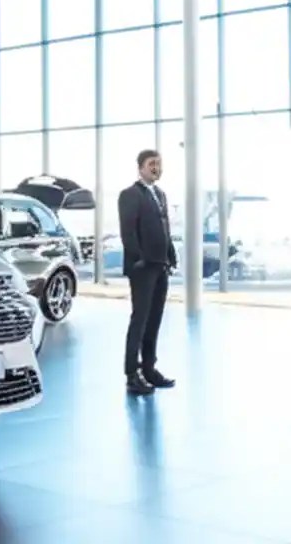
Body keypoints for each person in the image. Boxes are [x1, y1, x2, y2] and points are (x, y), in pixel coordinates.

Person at [117, 149, 177, 395]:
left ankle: (149, 368)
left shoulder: (160, 194)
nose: (156, 168)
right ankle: (132, 374)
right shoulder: (130, 195)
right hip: (143, 268)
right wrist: (139, 259)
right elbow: (127, 231)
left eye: (159, 164)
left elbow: (165, 229)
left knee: (155, 320)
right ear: (140, 167)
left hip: (160, 265)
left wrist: (170, 257)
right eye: (152, 164)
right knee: (139, 319)